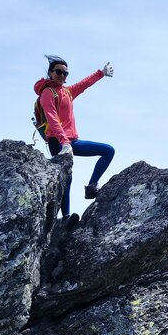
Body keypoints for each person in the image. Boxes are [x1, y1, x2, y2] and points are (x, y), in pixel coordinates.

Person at [34, 55, 115, 218]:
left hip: (72, 141)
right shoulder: (47, 94)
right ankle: (65, 218)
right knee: (67, 178)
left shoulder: (67, 92)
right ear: (50, 73)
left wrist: (101, 73)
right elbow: (52, 119)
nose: (62, 76)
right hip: (57, 142)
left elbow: (84, 84)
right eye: (59, 72)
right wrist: (64, 143)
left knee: (108, 151)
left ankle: (92, 187)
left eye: (65, 74)